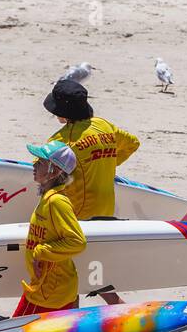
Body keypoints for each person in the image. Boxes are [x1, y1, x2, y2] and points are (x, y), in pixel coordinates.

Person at [0, 142, 87, 332]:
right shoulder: (49, 198)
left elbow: (76, 242)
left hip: (48, 291)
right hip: (55, 287)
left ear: (55, 171)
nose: (34, 165)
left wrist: (43, 251)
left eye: (40, 161)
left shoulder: (56, 202)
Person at [43, 78, 140, 308]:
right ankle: (119, 309)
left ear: (63, 112)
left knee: (70, 269)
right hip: (106, 209)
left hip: (77, 214)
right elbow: (133, 143)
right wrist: (107, 166)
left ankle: (72, 321)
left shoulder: (60, 141)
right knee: (90, 266)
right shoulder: (104, 126)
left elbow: (49, 178)